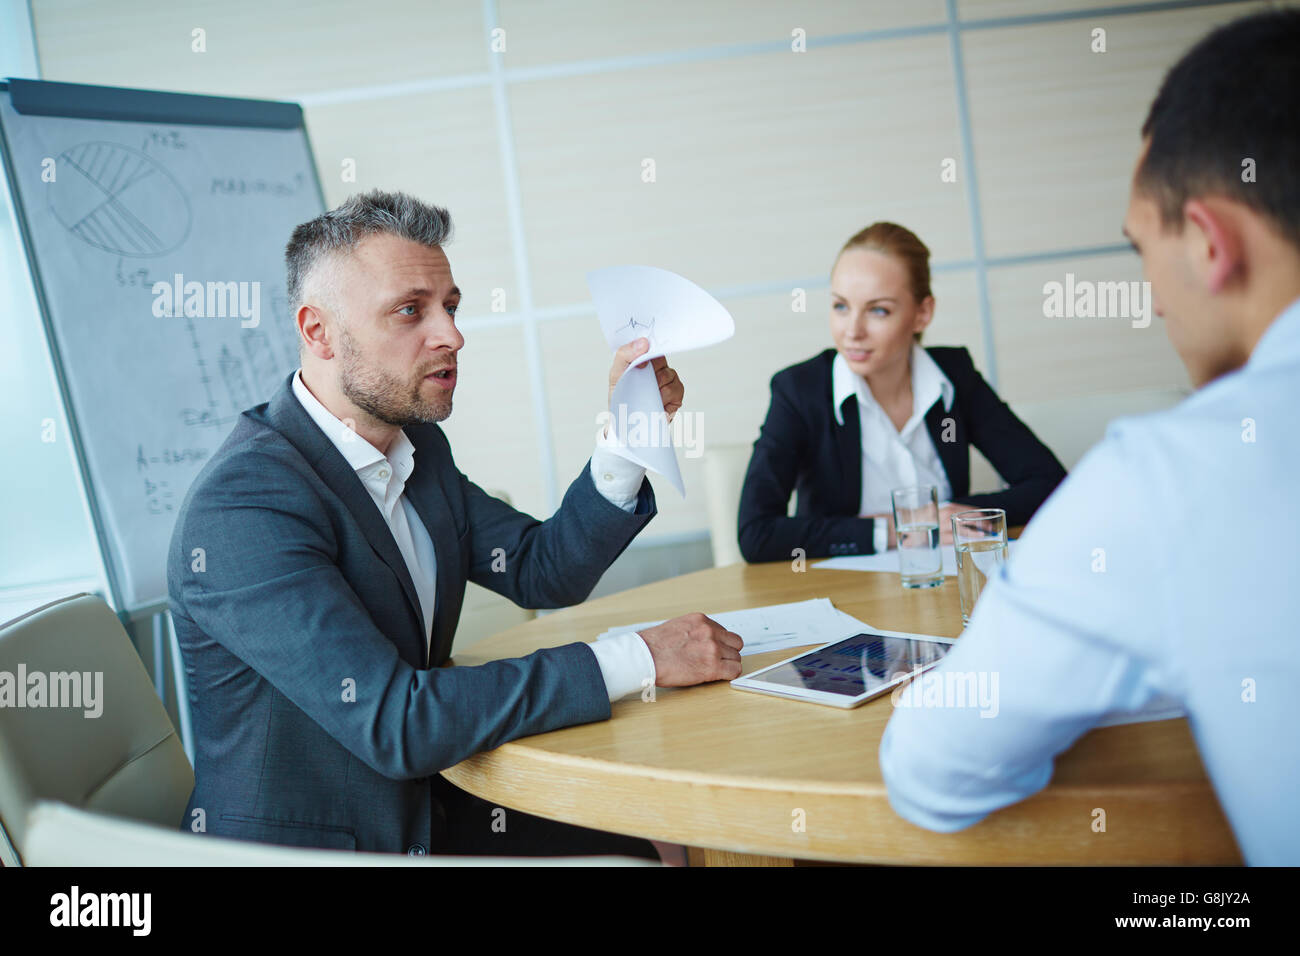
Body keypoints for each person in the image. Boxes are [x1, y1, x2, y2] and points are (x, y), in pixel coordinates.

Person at [167, 190, 742, 859]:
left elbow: (541, 569)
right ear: (318, 331)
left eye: (451, 306)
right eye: (411, 310)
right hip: (325, 848)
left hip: (430, 807)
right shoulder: (245, 505)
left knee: (654, 843)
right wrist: (640, 656)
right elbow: (396, 721)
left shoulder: (417, 448)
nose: (452, 335)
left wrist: (627, 432)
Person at [879, 9, 1300, 866]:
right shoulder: (799, 394)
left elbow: (933, 771)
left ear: (1211, 243)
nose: (1151, 300)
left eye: (1143, 252)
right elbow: (759, 529)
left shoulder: (1170, 476)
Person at [738, 222, 1065, 563]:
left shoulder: (954, 376)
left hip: (945, 581)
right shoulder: (799, 392)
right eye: (840, 306)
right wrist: (904, 526)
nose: (852, 331)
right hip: (843, 588)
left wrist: (955, 517)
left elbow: (1050, 485)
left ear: (922, 314)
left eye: (878, 310)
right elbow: (757, 534)